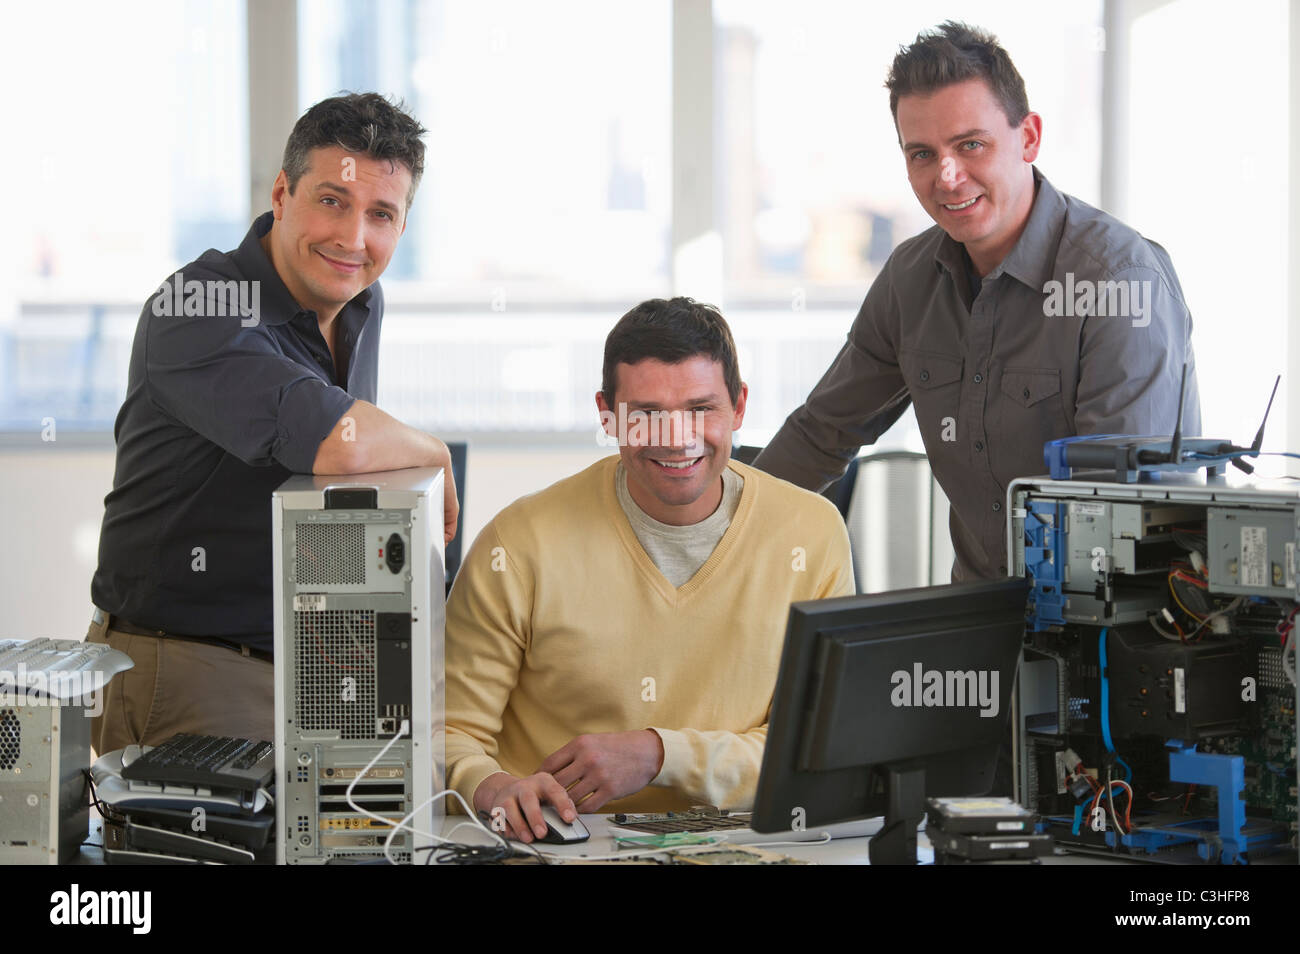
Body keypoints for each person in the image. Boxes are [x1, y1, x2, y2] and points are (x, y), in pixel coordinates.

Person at [754, 21, 1201, 581]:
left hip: (1118, 635)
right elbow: (820, 434)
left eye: (971, 144)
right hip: (979, 623)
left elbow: (1117, 508)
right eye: (922, 153)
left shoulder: (1118, 282)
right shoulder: (909, 281)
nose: (947, 176)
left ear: (1029, 138)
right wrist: (711, 543)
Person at [88, 93, 458, 754]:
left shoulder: (359, 302)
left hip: (313, 663)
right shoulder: (197, 307)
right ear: (282, 193)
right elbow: (337, 444)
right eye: (331, 201)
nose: (353, 238)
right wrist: (435, 452)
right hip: (194, 664)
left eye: (381, 214)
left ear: (403, 226)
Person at [444, 297, 854, 842]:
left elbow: (815, 748)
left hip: (744, 843)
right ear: (607, 414)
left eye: (700, 408)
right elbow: (445, 731)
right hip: (559, 845)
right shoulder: (518, 542)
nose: (676, 438)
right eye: (646, 415)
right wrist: (491, 785)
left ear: (739, 406)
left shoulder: (813, 532)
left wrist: (661, 754)